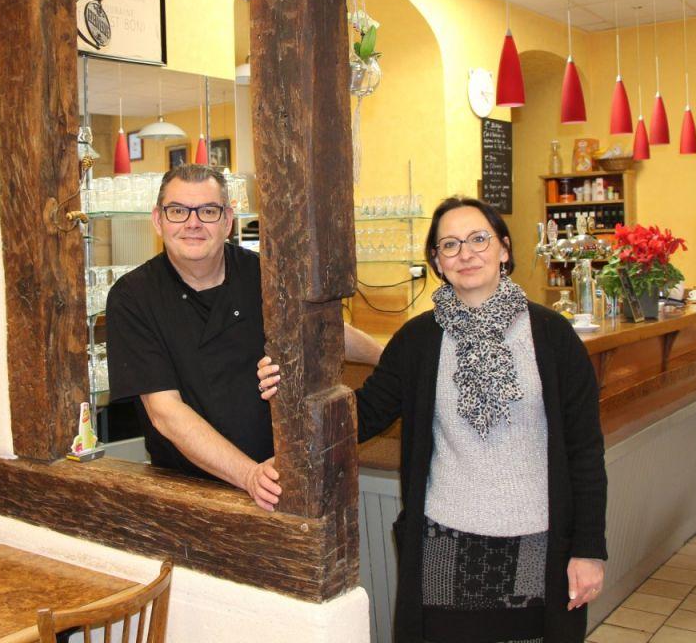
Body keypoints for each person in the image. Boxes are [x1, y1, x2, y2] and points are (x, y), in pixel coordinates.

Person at [259, 196, 607, 643]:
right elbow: (359, 417)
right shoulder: (419, 340)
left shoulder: (552, 337)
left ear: (504, 249)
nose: (466, 253)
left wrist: (588, 550)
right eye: (450, 245)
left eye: (479, 239)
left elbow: (584, 451)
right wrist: (290, 388)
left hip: (538, 542)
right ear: (437, 263)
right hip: (445, 543)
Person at [106, 164, 382, 512]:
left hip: (281, 474)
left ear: (228, 221)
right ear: (158, 220)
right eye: (178, 211)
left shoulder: (264, 275)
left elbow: (323, 334)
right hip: (190, 489)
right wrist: (249, 475)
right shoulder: (133, 296)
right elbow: (165, 412)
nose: (193, 223)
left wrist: (386, 355)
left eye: (208, 211)